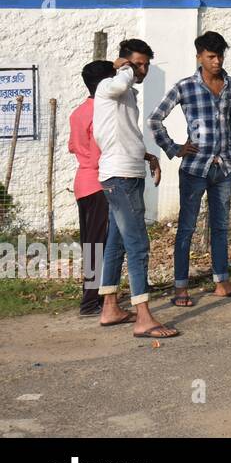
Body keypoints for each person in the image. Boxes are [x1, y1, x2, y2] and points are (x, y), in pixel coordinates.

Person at [149, 31, 231, 307]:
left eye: (220, 56)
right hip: (195, 168)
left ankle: (222, 281)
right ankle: (180, 287)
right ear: (199, 57)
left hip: (224, 168)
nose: (217, 61)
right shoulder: (185, 87)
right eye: (211, 56)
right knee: (187, 228)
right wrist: (174, 148)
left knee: (220, 227)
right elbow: (155, 119)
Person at [94, 38, 178, 339]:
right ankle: (143, 317)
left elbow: (123, 136)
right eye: (137, 63)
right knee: (138, 244)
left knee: (116, 243)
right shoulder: (110, 86)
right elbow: (117, 84)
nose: (142, 70)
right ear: (124, 63)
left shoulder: (125, 93)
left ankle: (110, 308)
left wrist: (148, 156)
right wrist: (124, 68)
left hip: (126, 173)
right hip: (120, 178)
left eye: (145, 65)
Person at [68, 60, 115, 316]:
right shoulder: (101, 111)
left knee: (91, 244)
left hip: (81, 182)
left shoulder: (77, 112)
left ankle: (93, 297)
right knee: (100, 244)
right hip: (98, 183)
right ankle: (90, 302)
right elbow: (101, 150)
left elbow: (72, 146)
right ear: (105, 83)